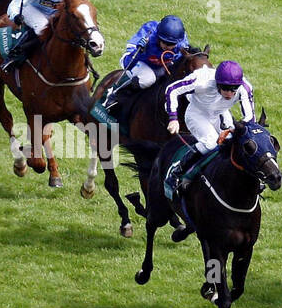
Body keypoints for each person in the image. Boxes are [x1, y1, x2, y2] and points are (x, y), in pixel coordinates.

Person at [163, 61, 256, 193]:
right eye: (225, 88)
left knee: (235, 143)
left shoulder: (245, 88)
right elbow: (172, 90)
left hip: (220, 114)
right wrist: (173, 118)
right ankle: (177, 171)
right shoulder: (201, 82)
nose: (230, 93)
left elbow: (250, 119)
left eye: (234, 89)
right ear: (217, 83)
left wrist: (236, 131)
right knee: (211, 143)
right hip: (197, 113)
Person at [3, 0, 82, 69]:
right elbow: (17, 3)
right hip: (31, 8)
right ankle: (16, 55)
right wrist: (16, 16)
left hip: (56, 12)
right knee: (43, 27)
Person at [101, 15, 189, 111]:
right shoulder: (147, 33)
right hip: (141, 64)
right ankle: (116, 94)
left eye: (171, 44)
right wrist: (141, 52)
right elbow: (126, 63)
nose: (167, 46)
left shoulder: (182, 44)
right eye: (164, 42)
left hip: (163, 67)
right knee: (148, 79)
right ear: (158, 37)